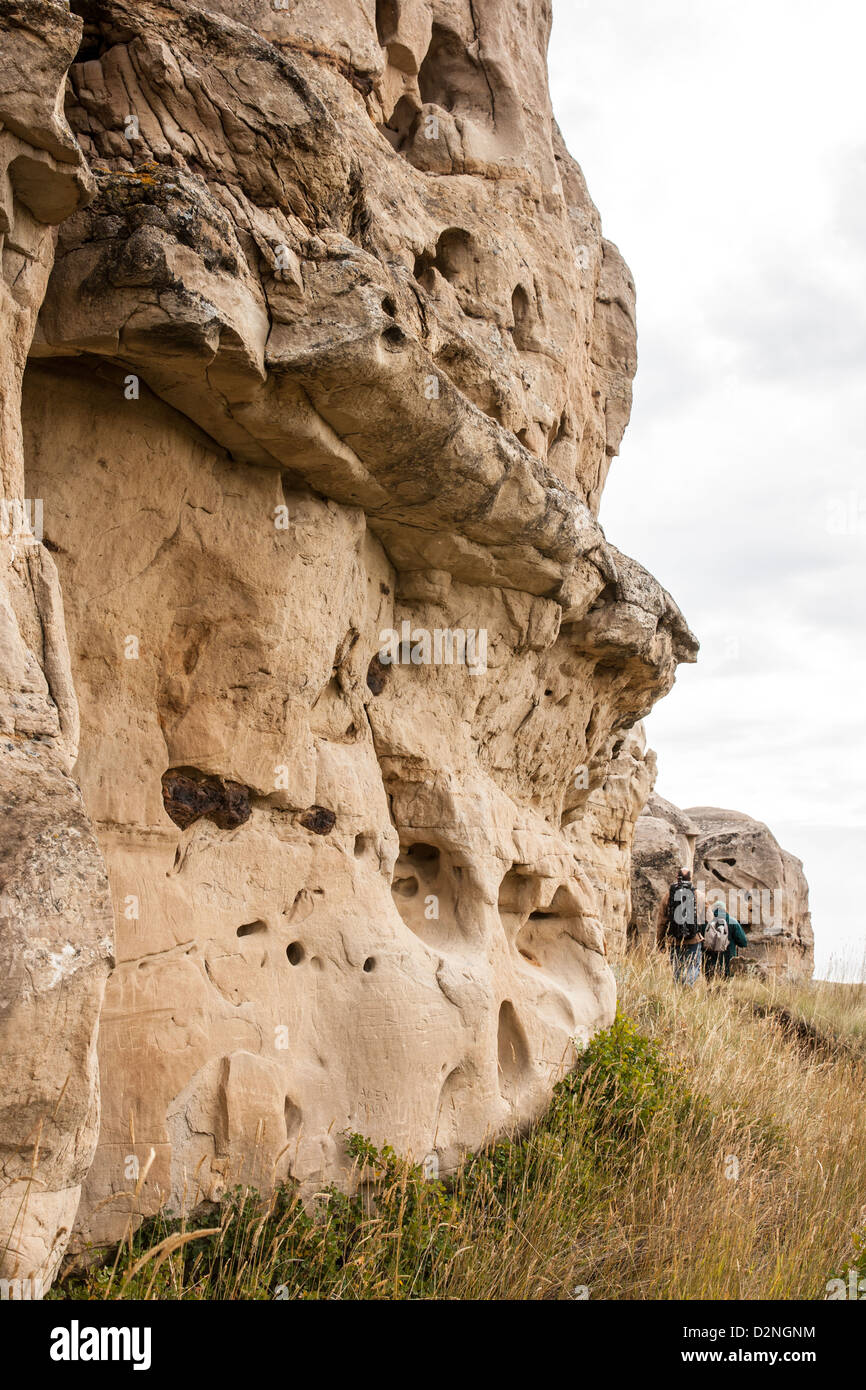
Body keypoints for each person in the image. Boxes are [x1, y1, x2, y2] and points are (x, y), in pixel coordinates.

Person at [660, 867, 704, 986]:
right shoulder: (699, 895)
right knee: (693, 966)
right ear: (691, 878)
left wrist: (661, 943)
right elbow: (707, 919)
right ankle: (688, 986)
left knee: (677, 968)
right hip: (694, 939)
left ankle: (679, 990)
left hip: (675, 939)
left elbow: (662, 922)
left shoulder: (668, 895)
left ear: (677, 877)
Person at [704, 901, 749, 979]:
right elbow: (743, 942)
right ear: (725, 910)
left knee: (711, 985)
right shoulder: (733, 922)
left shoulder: (707, 922)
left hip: (710, 964)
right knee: (728, 986)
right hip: (729, 962)